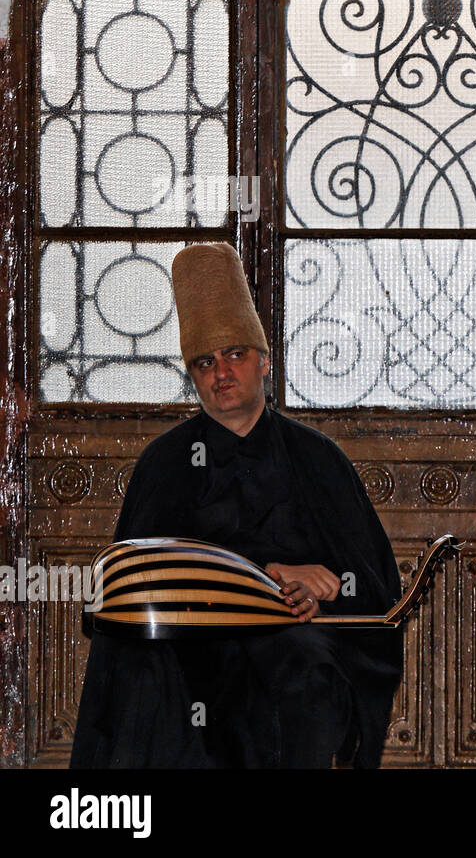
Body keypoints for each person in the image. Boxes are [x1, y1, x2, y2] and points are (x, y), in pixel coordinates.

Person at [71, 243, 403, 768]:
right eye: (205, 362)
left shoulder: (318, 459)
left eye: (235, 355)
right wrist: (266, 575)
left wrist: (327, 590)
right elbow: (135, 583)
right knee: (143, 671)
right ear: (193, 375)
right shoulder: (164, 463)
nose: (221, 372)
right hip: (187, 641)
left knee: (307, 671)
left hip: (294, 639)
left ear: (265, 362)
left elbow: (373, 583)